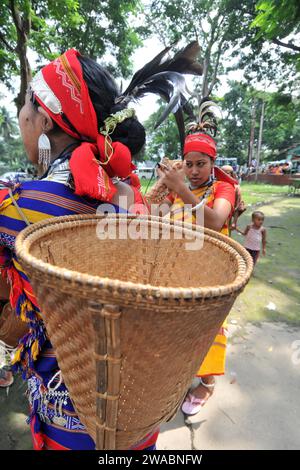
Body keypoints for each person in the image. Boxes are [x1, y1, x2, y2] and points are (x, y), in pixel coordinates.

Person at [0, 44, 202, 450]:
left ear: (43, 120)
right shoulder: (131, 197)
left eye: (25, 105)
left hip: (67, 413)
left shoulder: (15, 205)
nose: (20, 116)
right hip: (134, 410)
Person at [151, 111, 236, 416]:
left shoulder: (224, 189)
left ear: (213, 163)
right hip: (178, 271)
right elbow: (155, 219)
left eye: (201, 164)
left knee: (209, 330)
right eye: (189, 164)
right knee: (179, 330)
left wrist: (180, 188)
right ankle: (183, 375)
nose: (195, 170)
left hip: (212, 274)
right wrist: (163, 187)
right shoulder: (177, 191)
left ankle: (208, 383)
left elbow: (214, 223)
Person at [221, 165, 246, 233]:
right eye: (222, 172)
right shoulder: (215, 185)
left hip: (227, 219)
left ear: (232, 174)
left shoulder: (236, 188)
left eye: (227, 173)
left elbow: (237, 207)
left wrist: (234, 222)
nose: (225, 174)